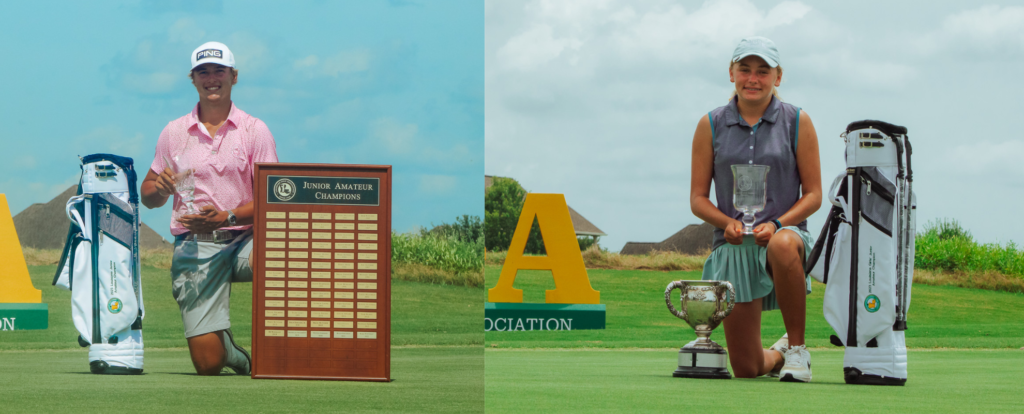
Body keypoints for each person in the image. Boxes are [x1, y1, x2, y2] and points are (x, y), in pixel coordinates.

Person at [140, 41, 279, 375]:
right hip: (195, 244)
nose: (211, 78)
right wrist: (158, 190)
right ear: (193, 79)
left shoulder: (253, 130)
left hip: (247, 239)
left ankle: (291, 348)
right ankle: (229, 350)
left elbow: (273, 198)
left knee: (285, 258)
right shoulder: (173, 132)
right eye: (203, 71)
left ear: (234, 76)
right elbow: (147, 193)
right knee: (208, 364)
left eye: (219, 71)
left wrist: (227, 216)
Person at [689, 36, 822, 382]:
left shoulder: (797, 121)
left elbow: (814, 195)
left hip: (786, 239)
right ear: (731, 73)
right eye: (745, 69)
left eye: (763, 71)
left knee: (781, 242)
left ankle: (797, 350)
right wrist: (725, 223)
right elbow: (698, 199)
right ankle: (778, 356)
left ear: (778, 77)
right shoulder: (711, 124)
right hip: (733, 246)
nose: (753, 78)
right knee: (747, 368)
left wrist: (778, 223)